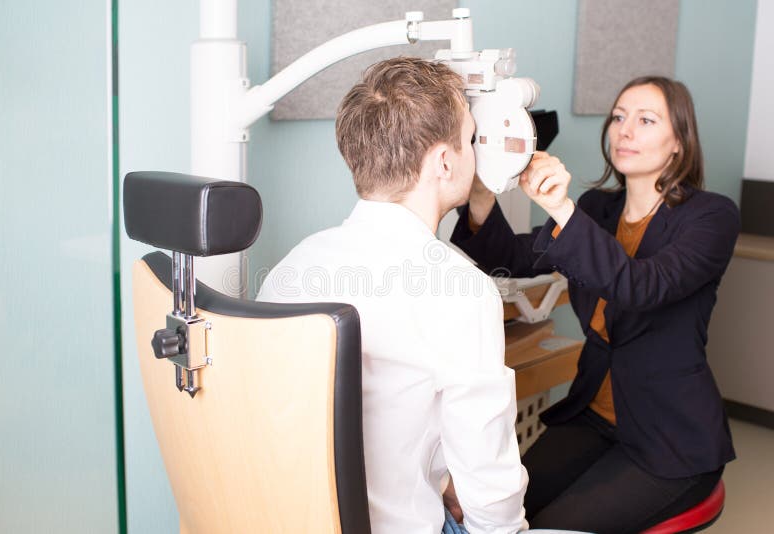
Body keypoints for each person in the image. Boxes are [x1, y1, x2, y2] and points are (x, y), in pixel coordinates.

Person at [450, 76, 740, 533]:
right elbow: (510, 258)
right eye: (619, 117)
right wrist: (482, 193)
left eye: (646, 120)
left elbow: (640, 287)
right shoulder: (598, 209)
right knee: (497, 512)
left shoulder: (711, 216)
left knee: (548, 528)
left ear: (680, 143)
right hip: (593, 417)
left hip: (670, 440)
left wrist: (561, 210)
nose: (625, 130)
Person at [257, 57, 529, 533]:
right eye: (470, 140)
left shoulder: (295, 266)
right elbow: (489, 482)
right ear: (444, 162)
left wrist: (439, 479)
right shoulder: (461, 290)